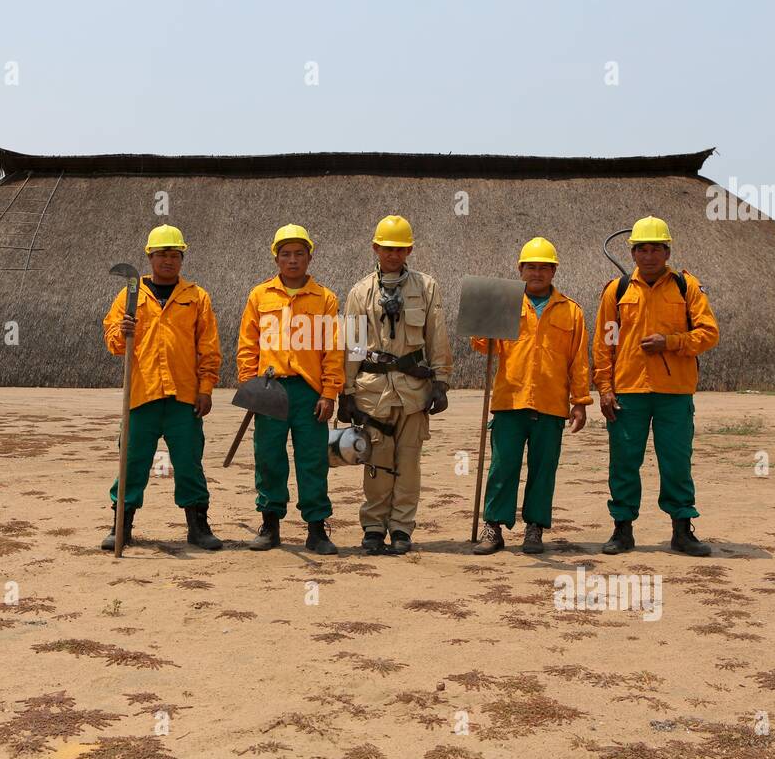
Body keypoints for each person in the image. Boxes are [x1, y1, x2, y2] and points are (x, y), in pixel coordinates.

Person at [592, 216, 720, 557]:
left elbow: (709, 333)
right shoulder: (616, 291)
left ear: (667, 251)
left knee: (677, 462)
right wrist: (604, 388)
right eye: (642, 249)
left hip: (675, 392)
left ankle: (682, 530)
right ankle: (622, 530)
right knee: (623, 462)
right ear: (632, 253)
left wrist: (671, 342)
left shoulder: (686, 287)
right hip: (628, 392)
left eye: (656, 249)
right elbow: (605, 344)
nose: (649, 256)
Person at [101, 224, 223, 551]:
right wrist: (122, 331)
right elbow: (113, 341)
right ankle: (121, 525)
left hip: (184, 396)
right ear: (149, 257)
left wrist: (206, 387)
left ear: (182, 257)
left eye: (174, 254)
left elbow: (208, 347)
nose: (168, 260)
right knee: (132, 461)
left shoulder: (196, 297)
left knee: (188, 462)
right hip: (142, 395)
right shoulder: (130, 295)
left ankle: (198, 526)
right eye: (161, 254)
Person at [340, 215, 452, 555]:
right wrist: (346, 391)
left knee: (409, 463)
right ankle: (373, 527)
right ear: (375, 248)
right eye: (387, 248)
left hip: (414, 392)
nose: (393, 254)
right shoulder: (360, 292)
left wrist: (441, 381)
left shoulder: (427, 287)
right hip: (373, 392)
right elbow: (353, 344)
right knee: (375, 461)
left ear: (410, 250)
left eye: (400, 248)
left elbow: (437, 335)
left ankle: (402, 528)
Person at [471, 238, 591, 555]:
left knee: (543, 468)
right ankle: (493, 528)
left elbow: (578, 361)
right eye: (531, 266)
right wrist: (483, 323)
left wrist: (580, 401)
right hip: (510, 401)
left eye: (543, 267)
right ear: (520, 269)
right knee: (503, 466)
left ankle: (534, 529)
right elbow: (481, 346)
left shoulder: (571, 311)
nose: (537, 272)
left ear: (553, 271)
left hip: (552, 404)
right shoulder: (504, 303)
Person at [237, 224, 343, 555]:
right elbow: (247, 346)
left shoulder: (325, 299)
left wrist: (329, 392)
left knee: (312, 460)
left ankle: (316, 528)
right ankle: (270, 525)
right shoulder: (259, 296)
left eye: (299, 254)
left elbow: (333, 349)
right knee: (268, 457)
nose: (293, 260)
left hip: (309, 392)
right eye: (286, 254)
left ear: (309, 256)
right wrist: (250, 387)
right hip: (269, 389)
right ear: (276, 258)